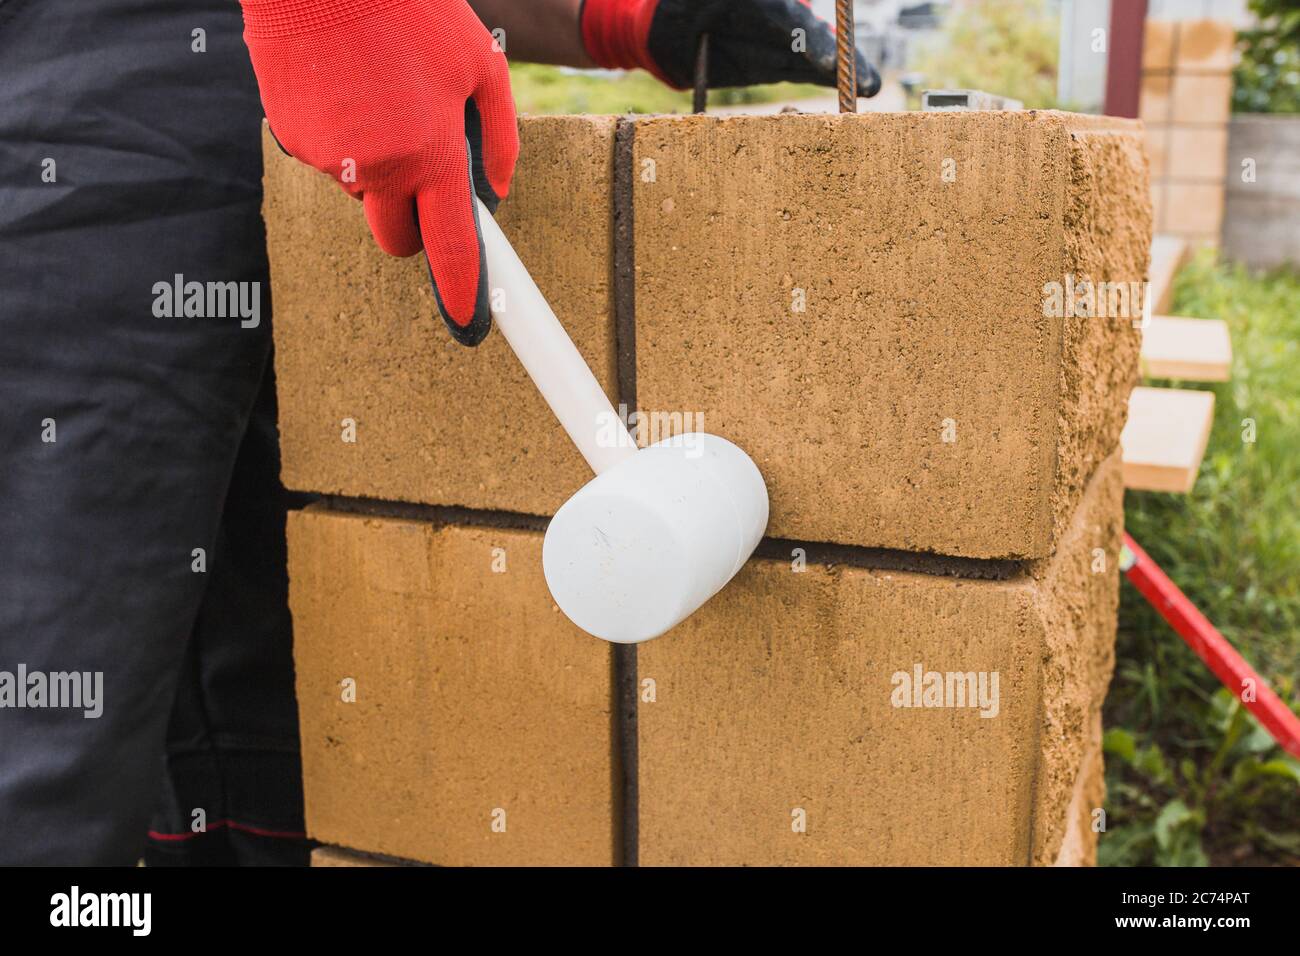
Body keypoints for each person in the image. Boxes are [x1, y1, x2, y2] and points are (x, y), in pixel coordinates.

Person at [0, 0, 878, 866]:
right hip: (96, 133)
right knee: (59, 729)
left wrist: (607, 18)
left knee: (273, 705)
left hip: (283, 121)